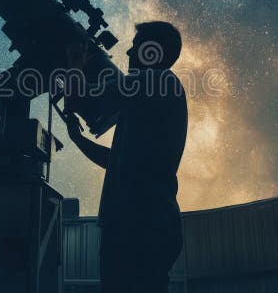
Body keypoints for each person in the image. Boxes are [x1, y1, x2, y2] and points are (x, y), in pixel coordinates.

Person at [65, 21, 188, 293]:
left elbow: (77, 98)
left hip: (138, 225)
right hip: (140, 222)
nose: (129, 55)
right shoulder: (146, 97)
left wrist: (75, 61)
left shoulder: (156, 81)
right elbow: (115, 161)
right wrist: (79, 140)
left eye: (136, 48)